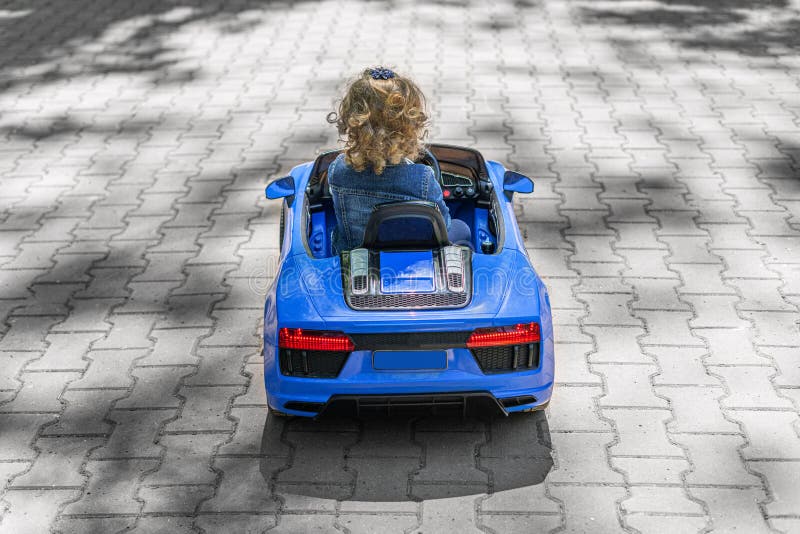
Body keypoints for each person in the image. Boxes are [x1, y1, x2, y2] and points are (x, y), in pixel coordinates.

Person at [326, 67, 472, 253]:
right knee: (461, 228)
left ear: (352, 120)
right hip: (415, 255)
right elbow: (444, 223)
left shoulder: (338, 169)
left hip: (356, 256)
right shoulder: (423, 178)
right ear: (409, 127)